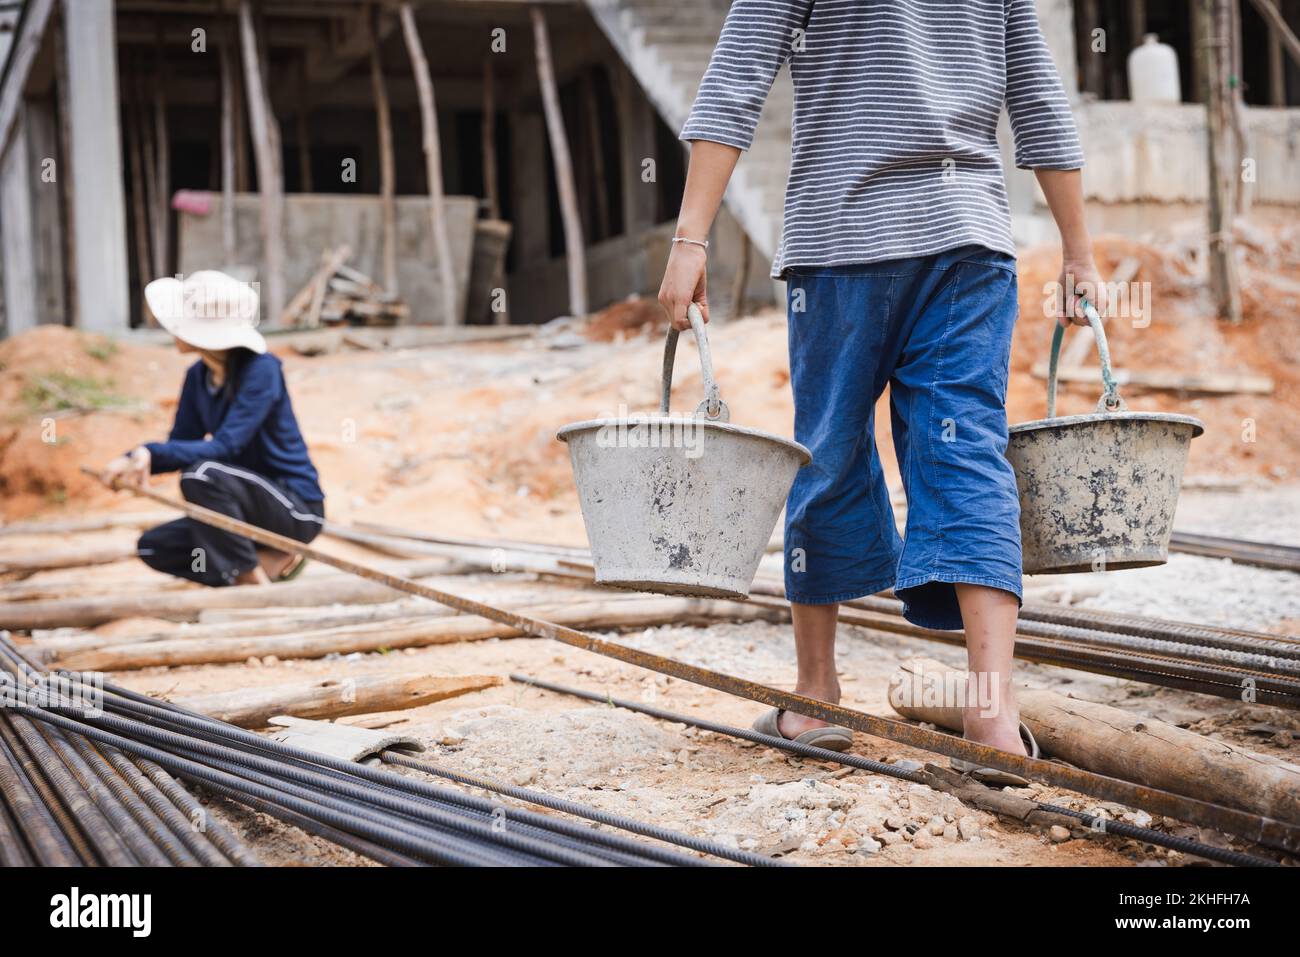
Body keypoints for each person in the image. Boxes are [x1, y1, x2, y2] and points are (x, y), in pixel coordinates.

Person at [659, 0, 1106, 764]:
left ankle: (816, 695)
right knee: (967, 453)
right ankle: (992, 716)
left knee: (826, 449)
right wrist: (1077, 250)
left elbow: (737, 77)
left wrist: (689, 238)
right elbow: (1036, 98)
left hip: (841, 246)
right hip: (967, 242)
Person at [104, 271, 325, 587]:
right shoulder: (198, 376)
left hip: (295, 509)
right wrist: (133, 461)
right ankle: (261, 562)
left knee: (200, 475)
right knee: (154, 546)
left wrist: (149, 451)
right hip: (237, 507)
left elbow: (225, 446)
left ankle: (251, 580)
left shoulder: (262, 370)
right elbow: (181, 443)